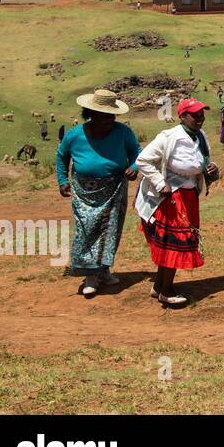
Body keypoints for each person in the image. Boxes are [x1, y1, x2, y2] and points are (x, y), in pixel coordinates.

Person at [54, 89, 140, 298]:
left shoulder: (123, 132)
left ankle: (103, 270)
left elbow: (137, 152)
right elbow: (61, 156)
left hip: (115, 188)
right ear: (91, 114)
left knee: (109, 231)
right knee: (86, 231)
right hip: (84, 191)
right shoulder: (74, 135)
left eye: (112, 116)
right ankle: (91, 276)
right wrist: (63, 180)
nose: (109, 120)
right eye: (104, 116)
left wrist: (135, 167)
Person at [134, 98, 219, 307]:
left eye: (202, 115)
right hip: (171, 198)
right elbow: (142, 160)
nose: (200, 119)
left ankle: (159, 286)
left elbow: (200, 164)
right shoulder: (169, 137)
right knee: (173, 244)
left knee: (169, 245)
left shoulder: (201, 137)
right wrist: (160, 182)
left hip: (189, 195)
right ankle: (166, 290)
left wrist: (211, 172)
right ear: (182, 116)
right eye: (195, 115)